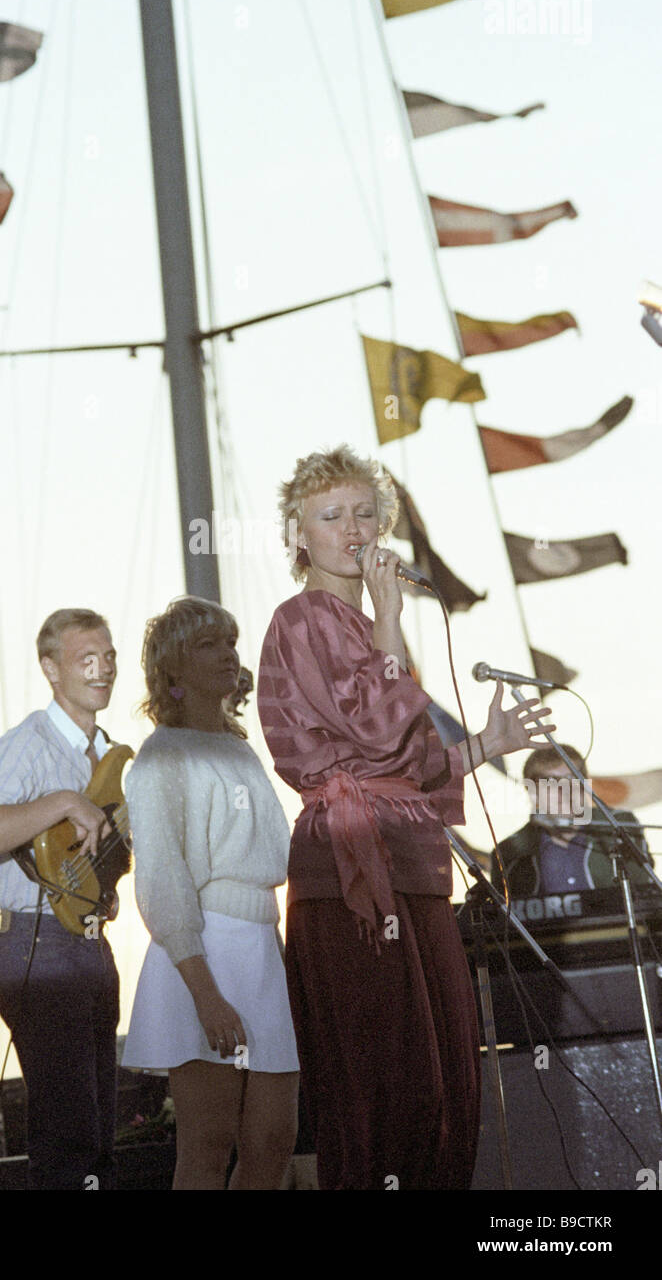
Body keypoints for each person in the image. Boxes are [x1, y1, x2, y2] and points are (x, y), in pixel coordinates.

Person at [256, 445, 556, 1191]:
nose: (352, 529)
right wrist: (390, 619)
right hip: (353, 871)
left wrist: (489, 744)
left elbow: (410, 766)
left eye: (365, 513)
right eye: (332, 516)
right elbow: (376, 724)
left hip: (415, 868)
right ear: (299, 536)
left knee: (449, 1074)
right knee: (385, 1087)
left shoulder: (369, 629)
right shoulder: (300, 621)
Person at [121, 597, 299, 1190]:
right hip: (202, 951)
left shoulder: (241, 747)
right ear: (172, 670)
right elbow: (161, 880)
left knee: (274, 1142)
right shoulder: (159, 757)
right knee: (206, 1144)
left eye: (229, 641)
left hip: (261, 945)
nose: (227, 654)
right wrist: (205, 993)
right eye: (207, 645)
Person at [0, 608, 121, 1190]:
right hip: (38, 949)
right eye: (86, 659)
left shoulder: (107, 753)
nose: (102, 670)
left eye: (108, 657)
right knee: (69, 1139)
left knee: (101, 1137)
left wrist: (106, 886)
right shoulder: (27, 745)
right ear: (51, 669)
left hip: (91, 949)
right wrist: (59, 801)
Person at [492, 744, 653, 899]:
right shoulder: (509, 852)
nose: (564, 790)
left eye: (572, 779)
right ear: (532, 792)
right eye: (551, 782)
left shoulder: (619, 826)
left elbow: (645, 896)